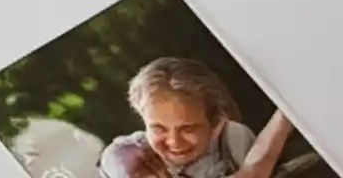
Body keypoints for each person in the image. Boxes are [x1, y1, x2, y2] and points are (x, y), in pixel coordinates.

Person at [99, 57, 298, 178]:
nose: (174, 142)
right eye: (158, 128)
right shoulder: (128, 156)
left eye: (188, 129)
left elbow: (253, 174)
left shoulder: (232, 141)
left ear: (215, 123)